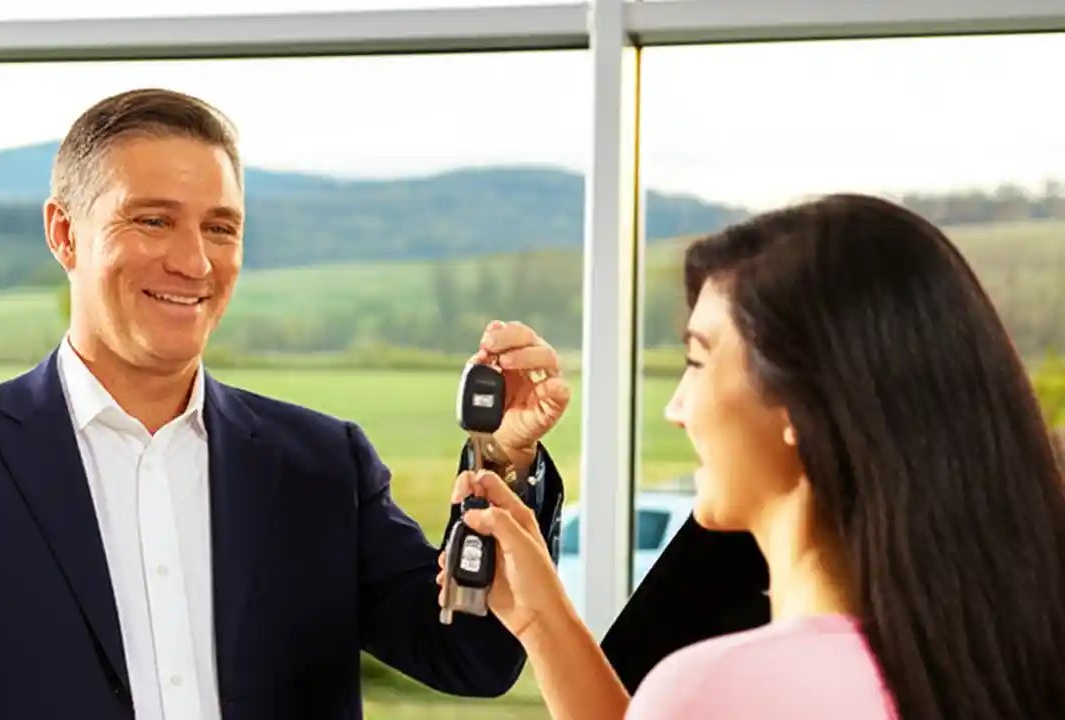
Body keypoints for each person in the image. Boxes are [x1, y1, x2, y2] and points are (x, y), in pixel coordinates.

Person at [0, 88, 573, 719]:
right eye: (153, 220)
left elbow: (471, 655)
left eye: (221, 228)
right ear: (64, 233)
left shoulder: (320, 465)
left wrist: (501, 461)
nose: (194, 261)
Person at [443, 193, 1065, 719]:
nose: (677, 408)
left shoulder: (716, 688)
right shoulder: (994, 657)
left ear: (797, 405)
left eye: (696, 361)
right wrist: (542, 619)